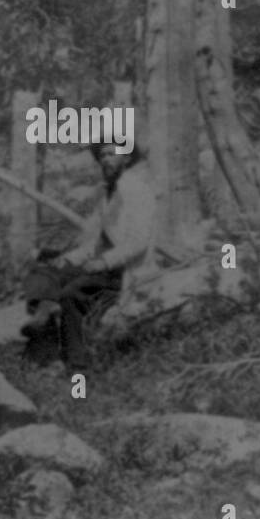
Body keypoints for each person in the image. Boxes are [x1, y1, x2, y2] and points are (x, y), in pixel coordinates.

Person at [22, 141, 154, 370]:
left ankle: (77, 366)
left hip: (125, 271)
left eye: (113, 154)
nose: (106, 159)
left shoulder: (138, 191)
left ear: (127, 159)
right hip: (102, 265)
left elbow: (138, 242)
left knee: (72, 294)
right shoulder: (106, 193)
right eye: (103, 155)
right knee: (43, 272)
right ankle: (45, 321)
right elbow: (96, 242)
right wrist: (69, 259)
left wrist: (104, 261)